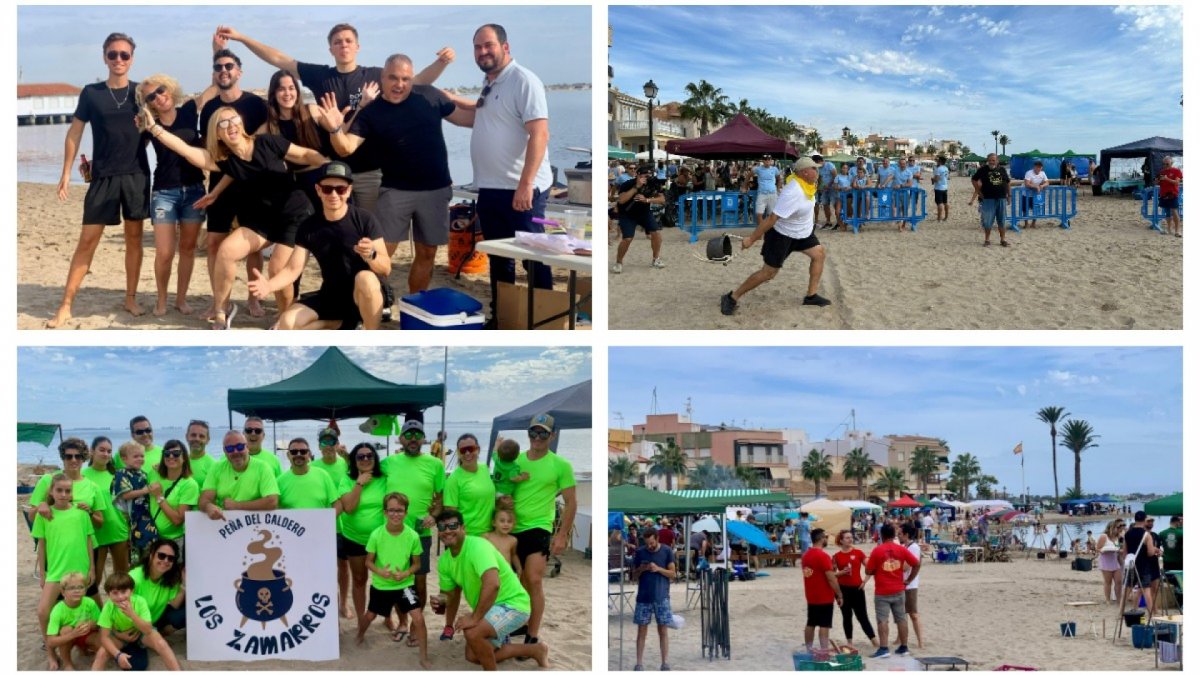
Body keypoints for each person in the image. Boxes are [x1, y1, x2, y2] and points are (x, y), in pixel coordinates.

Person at [216, 23, 454, 216]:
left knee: (368, 229)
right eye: (337, 42)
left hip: (371, 171)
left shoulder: (375, 75)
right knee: (339, 229)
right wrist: (242, 38)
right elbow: (279, 60)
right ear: (330, 49)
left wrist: (441, 63)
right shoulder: (321, 76)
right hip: (334, 169)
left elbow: (417, 82)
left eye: (348, 41)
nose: (343, 45)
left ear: (358, 46)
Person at [143, 95, 329, 329]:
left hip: (294, 215)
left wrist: (327, 167)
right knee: (226, 251)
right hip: (261, 220)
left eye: (233, 119)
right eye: (222, 124)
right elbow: (186, 151)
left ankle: (284, 318)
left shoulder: (267, 142)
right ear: (217, 134)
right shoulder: (226, 161)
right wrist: (154, 129)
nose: (229, 125)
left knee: (277, 269)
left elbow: (303, 155)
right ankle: (221, 310)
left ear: (241, 123)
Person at [322, 54, 473, 294]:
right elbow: (345, 148)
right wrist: (334, 127)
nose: (399, 84)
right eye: (393, 77)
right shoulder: (372, 112)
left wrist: (501, 108)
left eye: (405, 78)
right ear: (382, 78)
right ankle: (367, 300)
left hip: (435, 190)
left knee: (427, 253)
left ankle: (414, 306)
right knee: (380, 252)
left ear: (412, 80)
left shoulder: (430, 96)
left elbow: (467, 120)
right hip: (395, 192)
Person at [49, 32, 151, 328]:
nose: (118, 59)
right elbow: (74, 133)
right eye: (113, 54)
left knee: (134, 239)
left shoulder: (141, 93)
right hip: (103, 177)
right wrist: (66, 173)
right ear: (104, 57)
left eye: (124, 55)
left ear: (132, 58)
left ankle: (130, 298)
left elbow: (154, 130)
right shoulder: (91, 93)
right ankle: (65, 304)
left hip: (136, 176)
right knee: (87, 242)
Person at [464, 24, 556, 319]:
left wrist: (526, 184)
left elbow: (540, 134)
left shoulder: (523, 80)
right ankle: (503, 317)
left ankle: (544, 318)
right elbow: (479, 120)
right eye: (477, 47)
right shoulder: (490, 84)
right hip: (491, 189)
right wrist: (440, 101)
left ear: (505, 47)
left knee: (534, 259)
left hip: (523, 191)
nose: (482, 51)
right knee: (499, 259)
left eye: (488, 45)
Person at [247, 161, 390, 330]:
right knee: (288, 322)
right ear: (318, 190)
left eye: (341, 189)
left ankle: (369, 335)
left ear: (349, 190)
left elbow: (386, 269)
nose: (334, 194)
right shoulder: (309, 226)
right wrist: (269, 286)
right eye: (328, 189)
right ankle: (342, 324)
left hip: (364, 295)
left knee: (365, 278)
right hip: (331, 295)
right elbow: (293, 269)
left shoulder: (364, 219)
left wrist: (371, 255)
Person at [196, 44, 271, 322]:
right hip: (220, 183)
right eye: (218, 67)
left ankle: (253, 298)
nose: (223, 71)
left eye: (229, 67)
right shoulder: (210, 109)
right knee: (214, 244)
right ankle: (220, 302)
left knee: (252, 246)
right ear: (214, 74)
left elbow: (266, 141)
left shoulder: (255, 104)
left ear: (239, 72)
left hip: (251, 185)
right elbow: (209, 150)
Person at [137, 74, 217, 316]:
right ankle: (161, 299)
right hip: (164, 193)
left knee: (188, 248)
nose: (158, 97)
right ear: (148, 103)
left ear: (170, 89)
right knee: (164, 252)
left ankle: (180, 299)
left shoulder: (190, 110)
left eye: (161, 91)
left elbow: (214, 87)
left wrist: (217, 49)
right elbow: (130, 153)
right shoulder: (149, 126)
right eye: (151, 96)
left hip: (194, 190)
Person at [432, 509, 547, 669]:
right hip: (491, 608)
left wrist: (474, 618)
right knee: (473, 656)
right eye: (442, 527)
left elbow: (493, 584)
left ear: (463, 528)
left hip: (513, 604)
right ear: (438, 532)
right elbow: (448, 594)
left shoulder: (478, 546)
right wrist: (440, 602)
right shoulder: (445, 561)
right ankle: (534, 650)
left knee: (473, 632)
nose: (447, 531)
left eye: (453, 525)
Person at [720, 156, 830, 315]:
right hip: (782, 235)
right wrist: (751, 239)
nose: (817, 171)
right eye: (814, 168)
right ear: (804, 172)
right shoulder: (793, 191)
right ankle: (732, 297)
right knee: (768, 273)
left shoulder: (809, 184)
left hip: (803, 233)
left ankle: (811, 296)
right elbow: (772, 218)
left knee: (819, 254)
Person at [509, 414, 577, 648]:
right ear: (528, 434)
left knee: (534, 579)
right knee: (517, 581)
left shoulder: (561, 465)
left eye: (543, 433)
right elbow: (501, 491)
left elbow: (571, 502)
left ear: (552, 435)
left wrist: (562, 534)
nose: (537, 437)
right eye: (533, 432)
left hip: (539, 527)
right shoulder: (515, 461)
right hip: (511, 529)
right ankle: (521, 622)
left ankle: (532, 634)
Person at [380, 420, 446, 637]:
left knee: (419, 582)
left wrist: (434, 516)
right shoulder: (389, 462)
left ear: (423, 439)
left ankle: (417, 625)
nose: (413, 439)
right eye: (408, 435)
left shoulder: (435, 464)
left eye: (417, 435)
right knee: (398, 579)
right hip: (393, 533)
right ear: (401, 439)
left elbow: (440, 499)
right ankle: (402, 622)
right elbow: (363, 469)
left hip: (421, 534)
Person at [34, 473, 97, 670]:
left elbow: (89, 541)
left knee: (84, 608)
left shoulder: (81, 513)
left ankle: (81, 644)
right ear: (51, 492)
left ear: (72, 493)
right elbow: (41, 546)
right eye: (59, 490)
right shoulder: (44, 515)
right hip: (56, 572)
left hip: (80, 569)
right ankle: (51, 654)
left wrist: (92, 568)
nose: (63, 494)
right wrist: (43, 575)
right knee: (43, 611)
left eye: (67, 490)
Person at [358, 492, 429, 665]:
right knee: (370, 616)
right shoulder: (377, 534)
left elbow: (417, 565)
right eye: (391, 510)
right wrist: (380, 571)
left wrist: (406, 573)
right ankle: (359, 636)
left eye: (399, 510)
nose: (395, 514)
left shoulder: (412, 535)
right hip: (381, 586)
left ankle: (424, 657)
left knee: (418, 618)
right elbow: (368, 562)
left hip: (405, 585)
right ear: (384, 512)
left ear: (406, 513)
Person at [337, 443, 389, 622]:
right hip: (355, 539)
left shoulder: (384, 478)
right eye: (360, 457)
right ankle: (361, 620)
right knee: (359, 580)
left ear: (375, 459)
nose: (365, 459)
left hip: (382, 539)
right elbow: (349, 508)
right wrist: (359, 483)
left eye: (369, 456)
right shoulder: (346, 479)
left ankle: (387, 618)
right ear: (354, 460)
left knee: (384, 580)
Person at [91, 572, 181, 671]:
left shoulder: (140, 601)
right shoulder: (108, 607)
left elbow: (148, 630)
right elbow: (104, 637)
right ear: (109, 594)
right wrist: (118, 655)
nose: (120, 597)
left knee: (161, 644)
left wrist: (132, 614)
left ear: (131, 591)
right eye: (115, 593)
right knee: (101, 654)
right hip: (119, 636)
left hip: (140, 632)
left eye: (124, 591)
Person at [864, 523, 920, 659]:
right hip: (899, 589)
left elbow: (868, 570)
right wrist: (909, 580)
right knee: (901, 619)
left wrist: (877, 569)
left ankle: (884, 648)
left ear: (882, 535)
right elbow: (916, 563)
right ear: (894, 535)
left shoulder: (877, 550)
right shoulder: (901, 549)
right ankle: (904, 647)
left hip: (882, 591)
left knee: (882, 620)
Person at [197, 430, 281, 520]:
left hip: (254, 523)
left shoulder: (263, 467)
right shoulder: (216, 468)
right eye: (230, 449)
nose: (236, 452)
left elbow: (272, 501)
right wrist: (208, 506)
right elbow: (204, 500)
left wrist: (237, 505)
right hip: (225, 525)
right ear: (224, 451)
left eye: (240, 447)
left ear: (247, 447)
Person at [82, 436, 129, 594]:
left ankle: (120, 613)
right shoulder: (83, 475)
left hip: (118, 530)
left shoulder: (117, 475)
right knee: (94, 580)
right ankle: (94, 614)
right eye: (101, 450)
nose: (106, 454)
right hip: (96, 533)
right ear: (92, 451)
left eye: (109, 451)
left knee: (122, 578)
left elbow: (125, 503)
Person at [632, 527, 676, 671]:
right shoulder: (640, 552)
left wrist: (658, 569)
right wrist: (641, 569)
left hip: (661, 597)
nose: (649, 546)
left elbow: (673, 574)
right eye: (647, 543)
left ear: (657, 538)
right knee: (641, 631)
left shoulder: (667, 551)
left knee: (663, 630)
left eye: (651, 543)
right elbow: (633, 576)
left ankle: (665, 662)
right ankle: (639, 663)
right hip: (643, 597)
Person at [611, 165, 666, 273]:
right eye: (645, 175)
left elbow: (662, 199)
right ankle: (619, 262)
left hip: (644, 212)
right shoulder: (628, 184)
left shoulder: (653, 183)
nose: (648, 178)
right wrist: (636, 187)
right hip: (627, 214)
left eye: (650, 175)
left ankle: (656, 259)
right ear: (638, 175)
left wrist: (647, 200)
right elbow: (621, 200)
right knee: (627, 238)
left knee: (656, 233)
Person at [45, 571, 101, 670]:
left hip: (86, 633)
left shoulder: (90, 602)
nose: (76, 591)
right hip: (69, 636)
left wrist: (90, 624)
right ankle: (67, 663)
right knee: (66, 629)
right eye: (71, 588)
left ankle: (84, 650)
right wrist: (73, 634)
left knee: (102, 642)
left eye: (80, 587)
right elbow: (50, 641)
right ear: (63, 592)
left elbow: (99, 622)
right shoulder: (58, 610)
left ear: (85, 589)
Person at [444, 434, 498, 537]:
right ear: (458, 453)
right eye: (463, 450)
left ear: (478, 449)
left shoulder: (484, 469)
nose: (467, 453)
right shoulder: (453, 480)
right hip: (469, 536)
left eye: (471, 448)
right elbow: (451, 515)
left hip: (491, 534)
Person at [147, 439, 199, 546]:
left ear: (184, 457)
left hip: (172, 540)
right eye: (167, 453)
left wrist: (159, 496)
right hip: (148, 535)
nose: (171, 457)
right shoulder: (153, 474)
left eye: (176, 454)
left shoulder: (190, 485)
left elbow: (177, 520)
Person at [832, 530, 877, 650]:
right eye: (847, 538)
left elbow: (871, 567)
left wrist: (864, 581)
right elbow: (831, 575)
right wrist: (841, 572)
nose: (850, 539)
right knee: (847, 616)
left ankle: (874, 641)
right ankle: (850, 642)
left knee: (862, 616)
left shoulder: (858, 553)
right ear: (841, 540)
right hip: (842, 590)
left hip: (857, 589)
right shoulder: (836, 556)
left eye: (851, 537)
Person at [112, 441, 158, 562]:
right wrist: (145, 491)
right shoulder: (121, 474)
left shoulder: (143, 474)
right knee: (137, 553)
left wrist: (158, 471)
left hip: (148, 517)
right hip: (134, 519)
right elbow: (126, 495)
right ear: (124, 459)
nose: (140, 459)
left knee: (151, 550)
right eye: (136, 456)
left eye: (142, 456)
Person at [129, 538, 186, 632]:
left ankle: (159, 634)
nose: (166, 560)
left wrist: (184, 586)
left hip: (154, 621)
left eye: (171, 558)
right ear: (151, 555)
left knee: (185, 613)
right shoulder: (134, 578)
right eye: (161, 556)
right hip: (134, 625)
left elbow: (174, 606)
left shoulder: (169, 577)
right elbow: (119, 608)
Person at [802, 528, 842, 653]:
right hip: (824, 595)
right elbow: (831, 578)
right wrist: (839, 594)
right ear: (820, 539)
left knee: (811, 623)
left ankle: (809, 648)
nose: (826, 539)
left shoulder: (806, 555)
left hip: (811, 594)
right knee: (824, 624)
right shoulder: (823, 556)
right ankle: (824, 649)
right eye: (825, 537)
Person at [277, 437, 341, 510]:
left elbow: (337, 504)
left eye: (303, 451)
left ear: (309, 454)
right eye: (294, 452)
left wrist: (326, 520)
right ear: (288, 455)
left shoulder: (323, 475)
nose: (298, 454)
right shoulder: (279, 481)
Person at [968, 153, 1011, 247]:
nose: (991, 162)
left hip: (1001, 198)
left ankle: (1003, 240)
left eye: (993, 160)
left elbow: (1007, 182)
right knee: (988, 221)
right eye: (990, 160)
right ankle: (987, 240)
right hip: (988, 199)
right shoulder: (983, 170)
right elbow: (974, 180)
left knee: (1002, 220)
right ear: (987, 161)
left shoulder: (1002, 169)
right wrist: (978, 192)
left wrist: (1009, 195)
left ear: (997, 161)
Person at [1124, 511, 1161, 618]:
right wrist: (1155, 550)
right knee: (1146, 590)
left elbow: (1124, 552)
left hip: (1131, 565)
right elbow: (1150, 553)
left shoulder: (1128, 533)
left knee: (1126, 590)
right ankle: (1151, 615)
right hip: (1144, 565)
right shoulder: (1146, 535)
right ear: (1144, 520)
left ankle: (1120, 611)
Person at [898, 524, 925, 649]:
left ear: (906, 535)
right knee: (902, 614)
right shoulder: (904, 546)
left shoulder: (913, 547)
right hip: (902, 583)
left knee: (913, 614)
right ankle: (900, 638)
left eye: (900, 534)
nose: (898, 536)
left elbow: (906, 566)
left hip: (910, 585)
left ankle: (920, 641)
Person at [754, 155, 783, 229]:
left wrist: (778, 188)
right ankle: (761, 231)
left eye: (769, 159)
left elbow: (779, 179)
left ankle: (772, 231)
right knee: (759, 213)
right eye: (765, 160)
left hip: (772, 193)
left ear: (771, 160)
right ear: (763, 161)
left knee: (772, 214)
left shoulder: (774, 169)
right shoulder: (758, 169)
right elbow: (748, 175)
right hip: (761, 193)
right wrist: (745, 186)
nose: (767, 161)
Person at [185, 420, 216, 487]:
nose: (197, 439)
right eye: (193, 435)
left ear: (207, 440)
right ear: (187, 437)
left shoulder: (213, 466)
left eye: (201, 436)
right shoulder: (180, 461)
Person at [1157, 155, 1183, 238]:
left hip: (1172, 194)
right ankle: (1169, 229)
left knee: (1174, 211)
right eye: (1163, 164)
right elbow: (1158, 183)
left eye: (1167, 164)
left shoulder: (1177, 171)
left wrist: (1167, 179)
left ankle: (1177, 231)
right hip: (1163, 194)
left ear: (1171, 163)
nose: (1165, 166)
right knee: (1167, 212)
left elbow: (1177, 182)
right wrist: (1157, 181)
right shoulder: (1161, 172)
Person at [1022, 160, 1050, 227]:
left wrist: (1042, 186)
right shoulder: (1029, 173)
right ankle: (1026, 223)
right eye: (1037, 167)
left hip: (1036, 195)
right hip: (1026, 194)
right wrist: (1036, 186)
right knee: (1025, 209)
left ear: (1042, 167)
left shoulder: (1042, 173)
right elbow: (1027, 184)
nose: (1038, 169)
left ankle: (1033, 224)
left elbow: (1047, 182)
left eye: (1040, 167)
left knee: (1036, 209)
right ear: (1034, 167)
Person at [815, 156, 838, 229]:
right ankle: (828, 221)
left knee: (835, 205)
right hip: (824, 189)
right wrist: (819, 187)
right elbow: (820, 178)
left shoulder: (829, 165)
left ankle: (838, 221)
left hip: (832, 188)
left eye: (816, 163)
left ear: (820, 161)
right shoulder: (818, 168)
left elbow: (835, 176)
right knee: (825, 205)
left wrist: (829, 185)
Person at [834, 163, 853, 230]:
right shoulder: (838, 176)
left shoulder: (850, 176)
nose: (845, 169)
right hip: (840, 195)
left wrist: (849, 188)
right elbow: (835, 187)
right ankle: (841, 224)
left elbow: (853, 186)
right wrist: (841, 188)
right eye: (843, 168)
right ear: (841, 168)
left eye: (846, 168)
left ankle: (845, 225)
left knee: (849, 211)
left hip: (849, 196)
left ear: (848, 169)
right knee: (837, 211)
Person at [933, 156, 950, 221]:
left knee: (939, 203)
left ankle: (939, 218)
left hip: (939, 188)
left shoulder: (939, 169)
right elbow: (947, 177)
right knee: (945, 202)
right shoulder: (946, 168)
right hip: (945, 187)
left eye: (938, 160)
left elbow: (937, 179)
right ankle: (946, 216)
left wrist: (933, 179)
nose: (937, 161)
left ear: (940, 161)